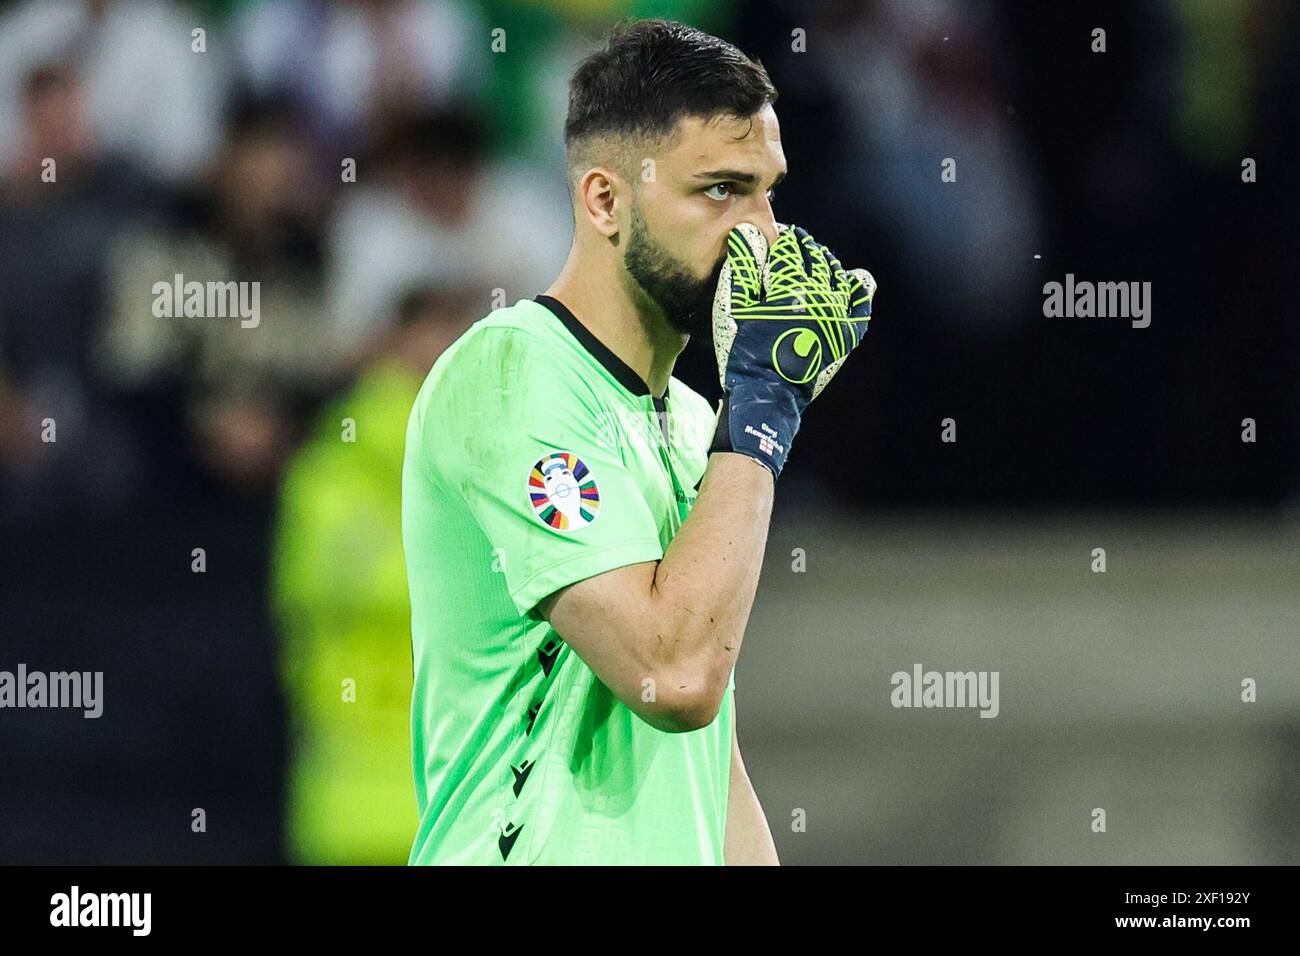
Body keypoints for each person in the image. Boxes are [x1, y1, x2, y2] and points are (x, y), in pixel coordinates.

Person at [402, 18, 875, 865]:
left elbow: (708, 759)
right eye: (720, 190)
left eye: (769, 191)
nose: (762, 234)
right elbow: (676, 677)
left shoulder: (699, 425)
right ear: (605, 200)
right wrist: (763, 413)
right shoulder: (511, 375)